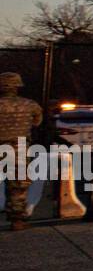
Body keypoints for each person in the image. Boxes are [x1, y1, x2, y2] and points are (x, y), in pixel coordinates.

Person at [0, 72, 44, 230]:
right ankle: (17, 220)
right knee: (18, 186)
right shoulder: (30, 104)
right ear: (18, 86)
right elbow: (37, 122)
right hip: (18, 148)